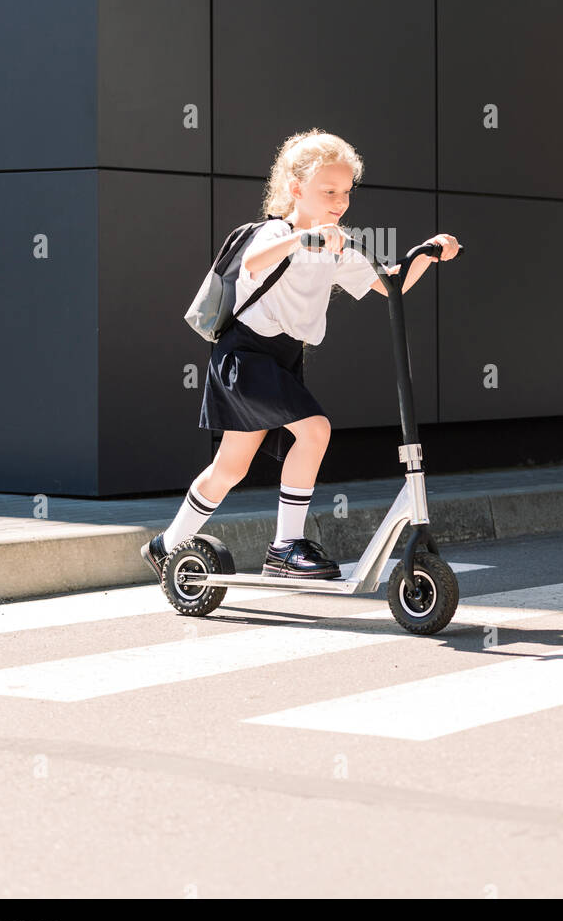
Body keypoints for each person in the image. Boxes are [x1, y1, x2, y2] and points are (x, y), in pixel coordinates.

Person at [142, 127, 460, 582]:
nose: (339, 200)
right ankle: (285, 547)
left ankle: (166, 545)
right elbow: (254, 262)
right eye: (327, 190)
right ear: (295, 189)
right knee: (313, 431)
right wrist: (301, 239)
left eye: (345, 191)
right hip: (245, 356)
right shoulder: (276, 231)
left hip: (282, 358)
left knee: (230, 467)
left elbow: (390, 285)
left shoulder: (337, 244)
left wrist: (428, 253)